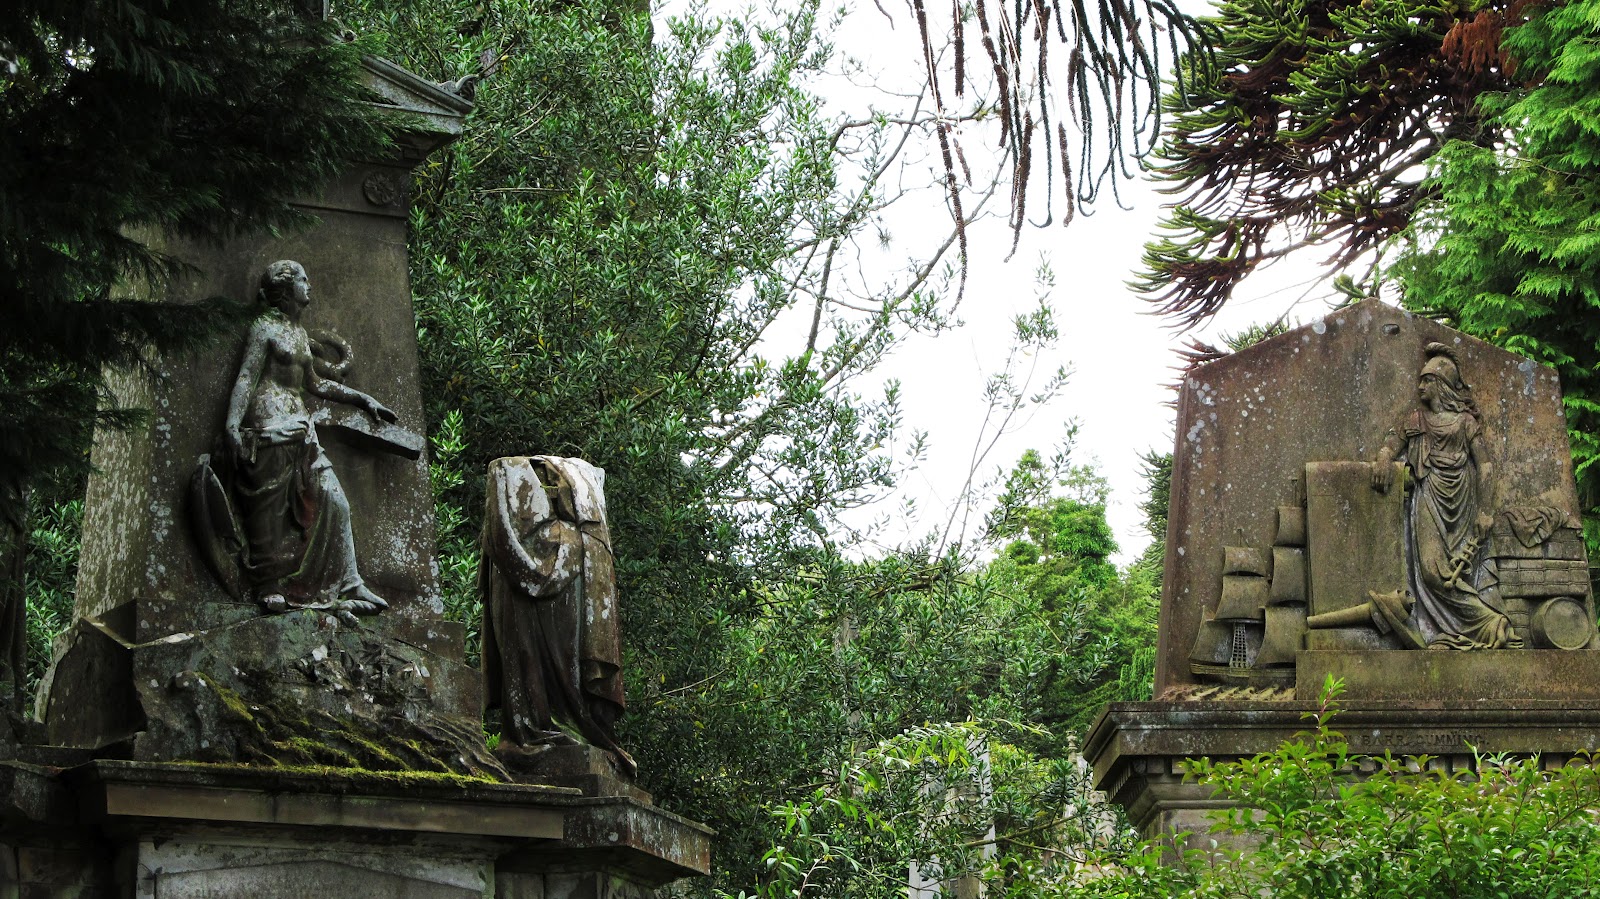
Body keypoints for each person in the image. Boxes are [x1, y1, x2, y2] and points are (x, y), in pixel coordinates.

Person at [222, 260, 393, 618]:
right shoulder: (264, 327)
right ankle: (269, 584)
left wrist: (364, 399)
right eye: (303, 279)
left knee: (335, 501)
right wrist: (232, 425)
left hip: (302, 427)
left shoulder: (299, 333)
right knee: (271, 512)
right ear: (285, 290)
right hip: (270, 425)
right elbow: (246, 377)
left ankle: (349, 582)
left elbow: (314, 384)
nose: (309, 284)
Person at [480, 455, 634, 777]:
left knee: (562, 663)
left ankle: (558, 723)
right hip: (537, 591)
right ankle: (538, 726)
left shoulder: (573, 541)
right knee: (529, 658)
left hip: (561, 579)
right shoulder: (574, 541)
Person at [1371, 342, 1517, 649]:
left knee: (1460, 569)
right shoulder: (1415, 419)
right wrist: (1384, 459)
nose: (1420, 385)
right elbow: (1391, 445)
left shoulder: (1465, 422)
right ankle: (1489, 622)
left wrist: (1486, 510)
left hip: (1462, 500)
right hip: (1429, 495)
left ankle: (1481, 623)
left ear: (1442, 386)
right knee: (1433, 571)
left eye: (1427, 380)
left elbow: (1485, 464)